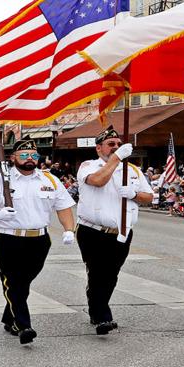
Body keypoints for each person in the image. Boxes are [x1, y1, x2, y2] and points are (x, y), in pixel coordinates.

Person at [0, 140, 77, 346]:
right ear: (12, 158)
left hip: (39, 240)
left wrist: (68, 230)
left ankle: (9, 318)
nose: (30, 159)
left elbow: (63, 206)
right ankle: (23, 325)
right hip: (9, 238)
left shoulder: (50, 180)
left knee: (23, 283)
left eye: (34, 155)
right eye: (24, 155)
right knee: (13, 282)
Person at [76, 128, 155, 336]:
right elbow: (98, 180)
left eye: (118, 145)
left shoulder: (133, 170)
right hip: (92, 231)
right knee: (97, 271)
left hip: (122, 231)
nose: (116, 148)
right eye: (111, 144)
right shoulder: (88, 166)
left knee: (111, 274)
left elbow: (150, 196)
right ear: (99, 148)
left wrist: (135, 194)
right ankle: (102, 315)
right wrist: (116, 159)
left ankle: (97, 308)